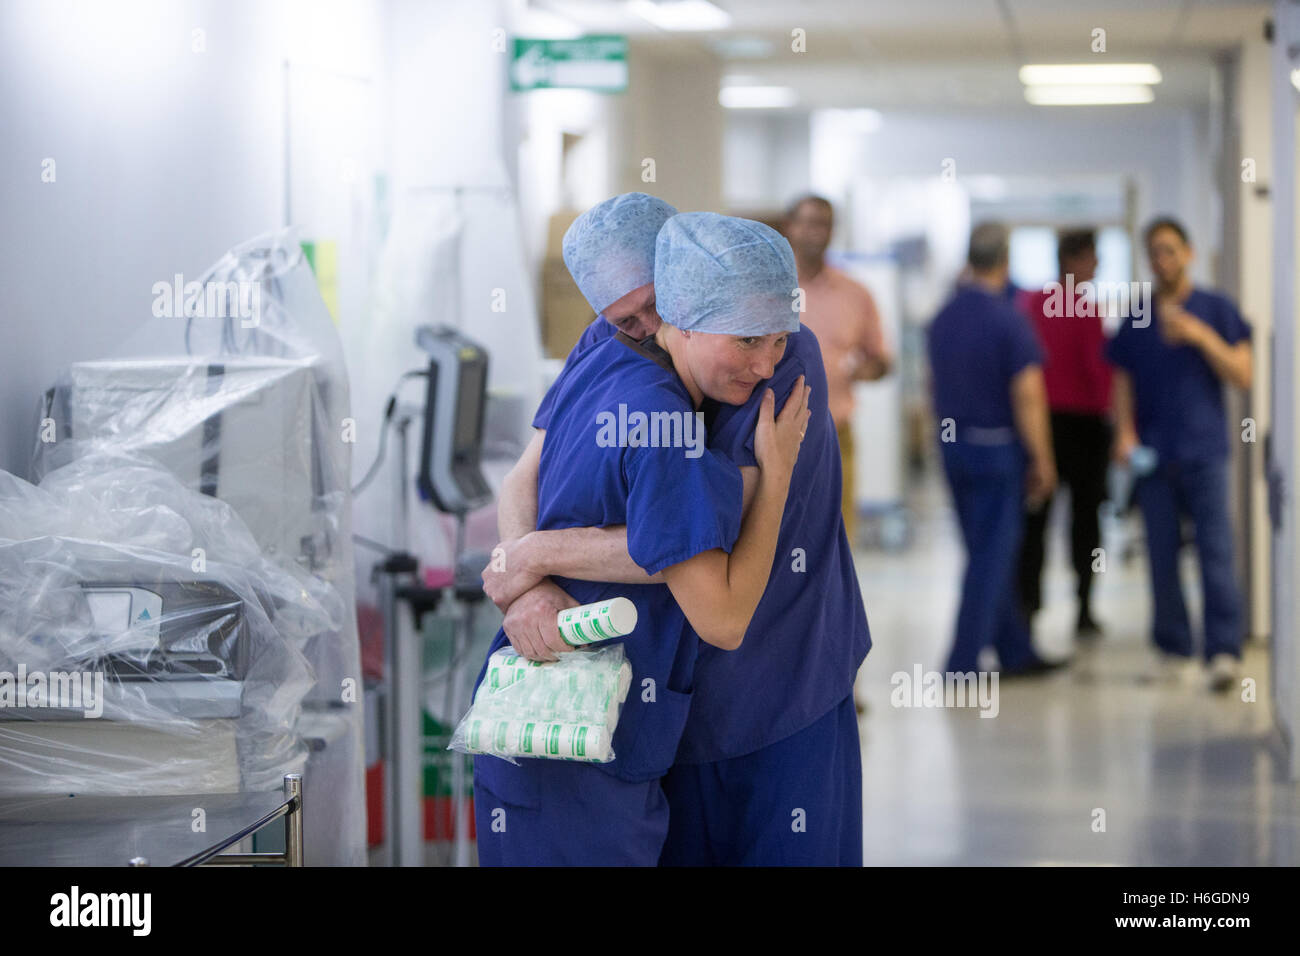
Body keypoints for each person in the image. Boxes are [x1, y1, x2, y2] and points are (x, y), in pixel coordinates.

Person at [473, 203, 811, 865]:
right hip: (576, 726)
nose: (653, 326)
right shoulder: (655, 408)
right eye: (632, 317)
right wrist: (775, 478)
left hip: (561, 719)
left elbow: (667, 541)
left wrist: (533, 558)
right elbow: (719, 608)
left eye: (776, 341)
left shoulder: (629, 367)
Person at [1106, 217, 1252, 692]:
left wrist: (1200, 336)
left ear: (1188, 253)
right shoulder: (1139, 315)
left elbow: (1243, 373)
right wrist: (1124, 433)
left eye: (1170, 250)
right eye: (1154, 252)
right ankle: (1173, 647)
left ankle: (1223, 650)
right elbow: (1122, 379)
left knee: (1216, 553)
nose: (1162, 260)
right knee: (1161, 557)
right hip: (1155, 456)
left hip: (1204, 452)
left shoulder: (1215, 309)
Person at [928, 222, 1061, 676]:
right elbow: (1028, 395)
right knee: (992, 555)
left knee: (985, 550)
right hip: (998, 452)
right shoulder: (1010, 319)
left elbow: (933, 387)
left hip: (953, 450)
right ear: (1005, 260)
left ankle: (1015, 649)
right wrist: (1042, 457)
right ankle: (962, 661)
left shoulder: (942, 318)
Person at [1016, 229, 1113, 638]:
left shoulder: (1030, 304)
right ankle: (1084, 608)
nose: (1097, 266)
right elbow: (1099, 373)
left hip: (1040, 422)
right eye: (1092, 258)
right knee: (1085, 520)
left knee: (1035, 518)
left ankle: (1028, 609)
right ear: (1073, 260)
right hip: (1082, 425)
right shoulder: (1084, 309)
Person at [784, 194, 892, 545]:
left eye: (825, 224)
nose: (817, 232)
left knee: (837, 536)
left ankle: (832, 601)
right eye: (809, 222)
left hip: (835, 431)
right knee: (781, 539)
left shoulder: (855, 293)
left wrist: (868, 370)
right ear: (790, 227)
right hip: (774, 433)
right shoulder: (769, 289)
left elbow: (882, 359)